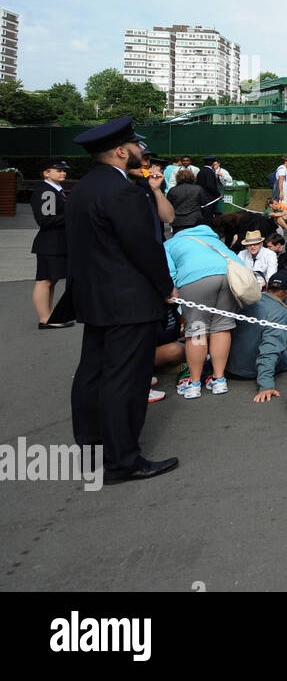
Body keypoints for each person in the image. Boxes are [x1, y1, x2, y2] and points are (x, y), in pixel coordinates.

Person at [65, 117, 178, 483]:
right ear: (119, 151)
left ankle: (93, 449)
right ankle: (123, 460)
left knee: (92, 374)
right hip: (129, 301)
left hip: (95, 298)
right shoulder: (123, 191)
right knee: (124, 380)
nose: (141, 152)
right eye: (136, 146)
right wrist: (166, 288)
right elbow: (144, 248)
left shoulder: (83, 189)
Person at [165, 222, 243, 398]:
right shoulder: (214, 240)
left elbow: (167, 271)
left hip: (194, 280)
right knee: (222, 328)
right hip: (229, 277)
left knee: (198, 329)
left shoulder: (171, 243)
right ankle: (219, 380)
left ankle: (194, 384)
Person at [228, 269, 287, 403]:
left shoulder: (251, 298)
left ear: (267, 286)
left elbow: (279, 299)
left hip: (231, 364)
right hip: (251, 369)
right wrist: (266, 385)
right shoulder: (279, 314)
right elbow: (269, 351)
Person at [31, 157, 73, 329]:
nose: (63, 172)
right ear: (46, 173)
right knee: (45, 280)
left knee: (51, 280)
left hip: (56, 243)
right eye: (58, 170)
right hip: (50, 243)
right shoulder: (47, 192)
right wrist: (73, 215)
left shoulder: (56, 190)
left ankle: (49, 316)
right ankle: (45, 318)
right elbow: (46, 220)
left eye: (63, 170)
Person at [166, 167, 204, 232]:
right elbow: (203, 202)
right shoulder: (198, 189)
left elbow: (169, 205)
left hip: (177, 220)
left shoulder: (172, 190)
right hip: (194, 219)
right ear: (192, 177)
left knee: (178, 239)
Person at [196, 156, 223, 223]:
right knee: (208, 216)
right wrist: (218, 194)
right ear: (213, 163)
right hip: (209, 198)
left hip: (201, 197)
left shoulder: (201, 171)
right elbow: (210, 186)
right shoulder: (210, 172)